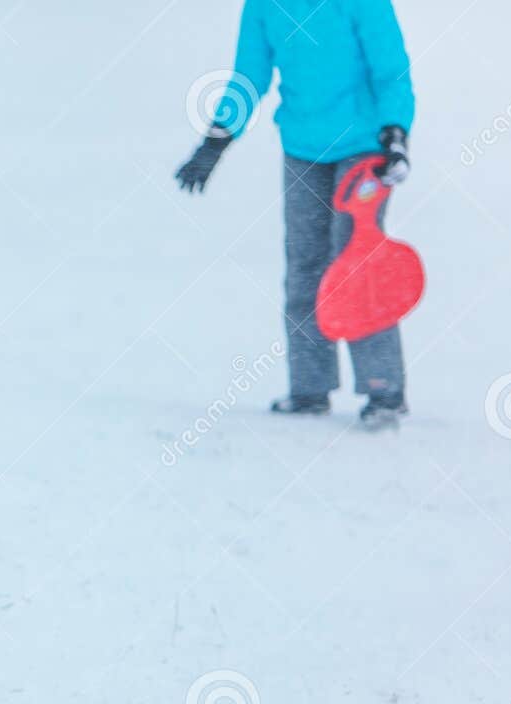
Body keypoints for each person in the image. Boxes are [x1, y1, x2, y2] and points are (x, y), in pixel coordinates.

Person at [175, 0, 415, 426]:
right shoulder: (263, 7)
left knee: (357, 260)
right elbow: (249, 77)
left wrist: (395, 133)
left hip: (363, 147)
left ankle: (384, 389)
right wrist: (216, 141)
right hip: (303, 148)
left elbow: (390, 67)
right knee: (305, 263)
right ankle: (310, 387)